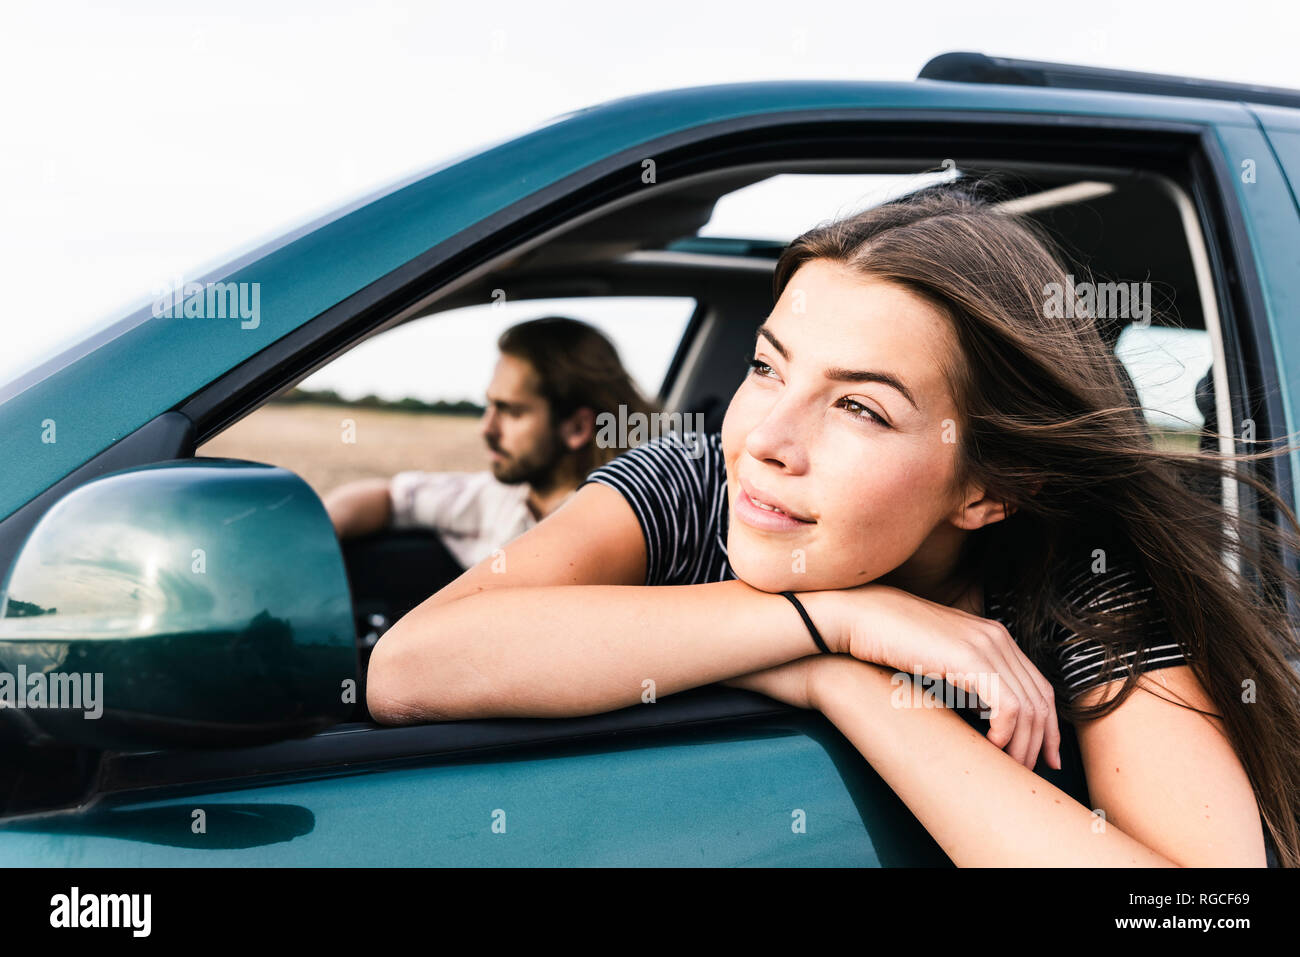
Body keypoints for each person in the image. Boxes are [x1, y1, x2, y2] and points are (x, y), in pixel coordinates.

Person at [364, 185, 1300, 867]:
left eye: (860, 408)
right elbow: (410, 669)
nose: (766, 438)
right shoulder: (695, 485)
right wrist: (832, 625)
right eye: (768, 367)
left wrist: (851, 689)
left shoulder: (1082, 585)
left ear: (988, 490)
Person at [323, 316, 656, 569]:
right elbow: (392, 497)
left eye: (510, 411)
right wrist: (310, 543)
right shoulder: (497, 499)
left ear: (578, 427)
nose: (487, 428)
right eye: (490, 405)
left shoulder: (630, 525)